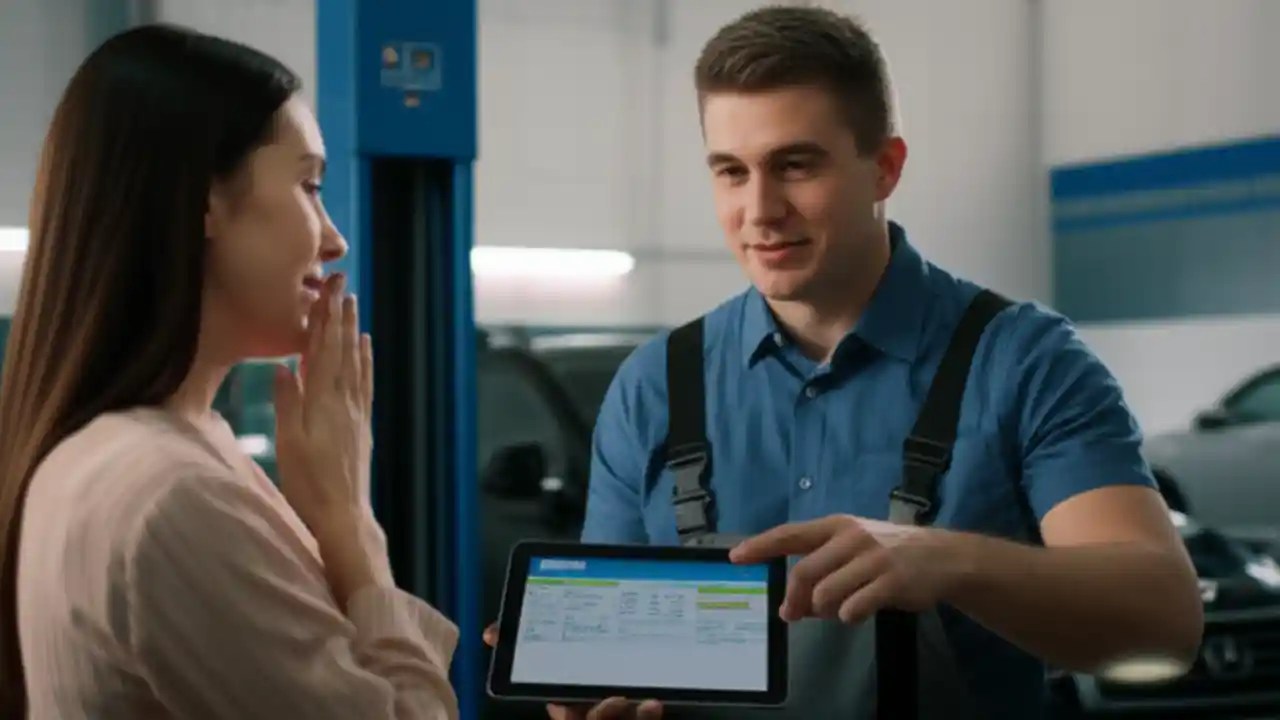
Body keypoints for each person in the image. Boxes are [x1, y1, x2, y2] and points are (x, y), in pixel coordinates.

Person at [485, 6, 1203, 720]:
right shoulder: (653, 387)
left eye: (794, 166)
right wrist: (586, 695)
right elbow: (618, 664)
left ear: (885, 167)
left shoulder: (1025, 364)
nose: (760, 210)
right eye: (731, 172)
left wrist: (948, 561)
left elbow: (1163, 627)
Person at [0, 25, 458, 719]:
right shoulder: (169, 495)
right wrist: (349, 524)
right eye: (309, 185)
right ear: (202, 202)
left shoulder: (156, 448)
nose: (334, 239)